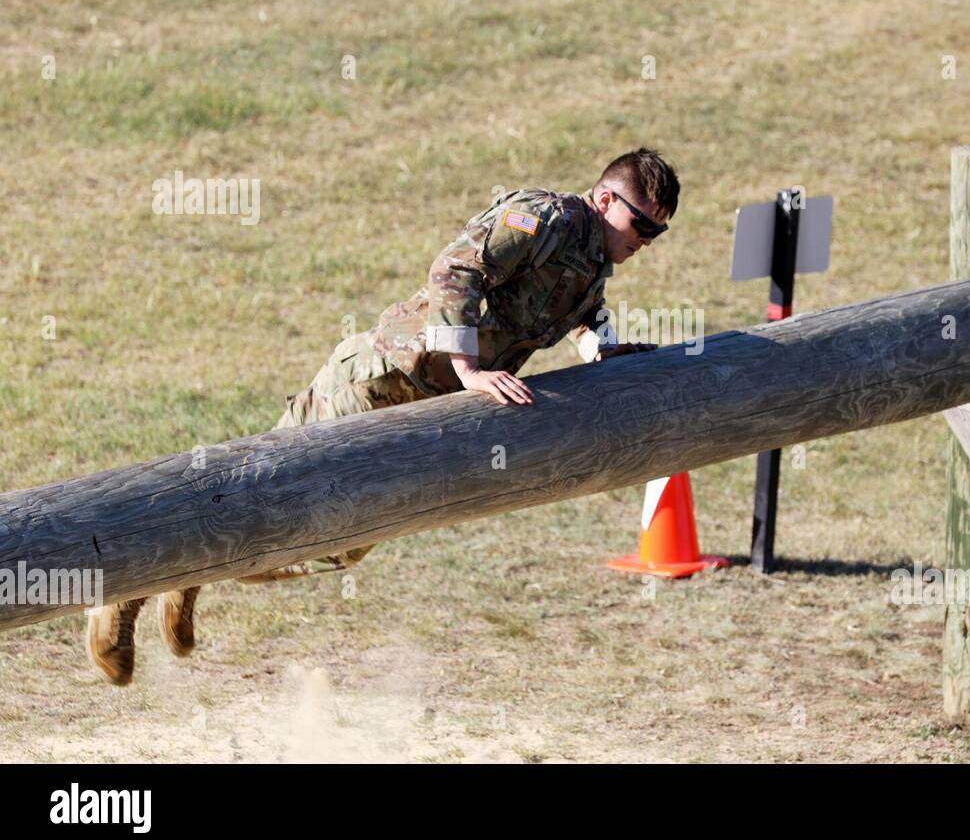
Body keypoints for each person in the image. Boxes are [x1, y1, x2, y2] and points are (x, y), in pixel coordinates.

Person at [85, 148, 680, 685]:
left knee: (336, 543)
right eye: (644, 225)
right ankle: (128, 585)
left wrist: (603, 349)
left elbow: (578, 311)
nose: (648, 241)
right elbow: (456, 268)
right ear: (606, 200)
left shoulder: (592, 260)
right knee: (261, 493)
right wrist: (469, 368)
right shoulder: (544, 219)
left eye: (660, 231)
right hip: (379, 381)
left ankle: (191, 571)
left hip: (427, 417)